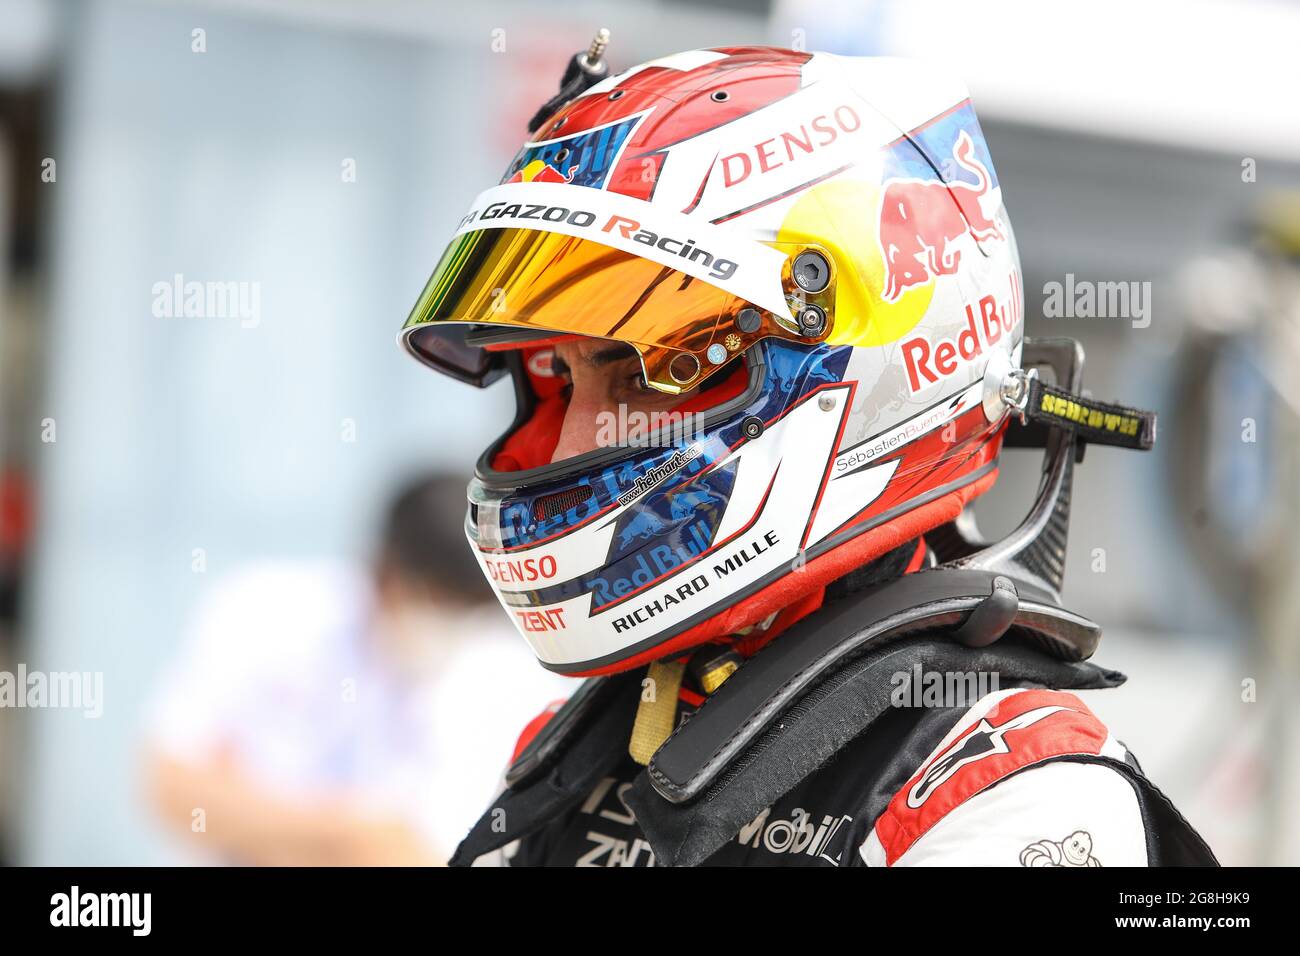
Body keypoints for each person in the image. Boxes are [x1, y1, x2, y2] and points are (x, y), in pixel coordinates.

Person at [399, 44, 1216, 866]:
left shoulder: (1010, 794)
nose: (581, 438)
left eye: (645, 372)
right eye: (562, 381)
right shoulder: (584, 751)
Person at [144, 474, 570, 865]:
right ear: (385, 568)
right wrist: (352, 838)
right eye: (438, 600)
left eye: (467, 607)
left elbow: (424, 852)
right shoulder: (264, 612)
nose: (449, 622)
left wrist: (253, 814)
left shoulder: (507, 675)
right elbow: (174, 788)